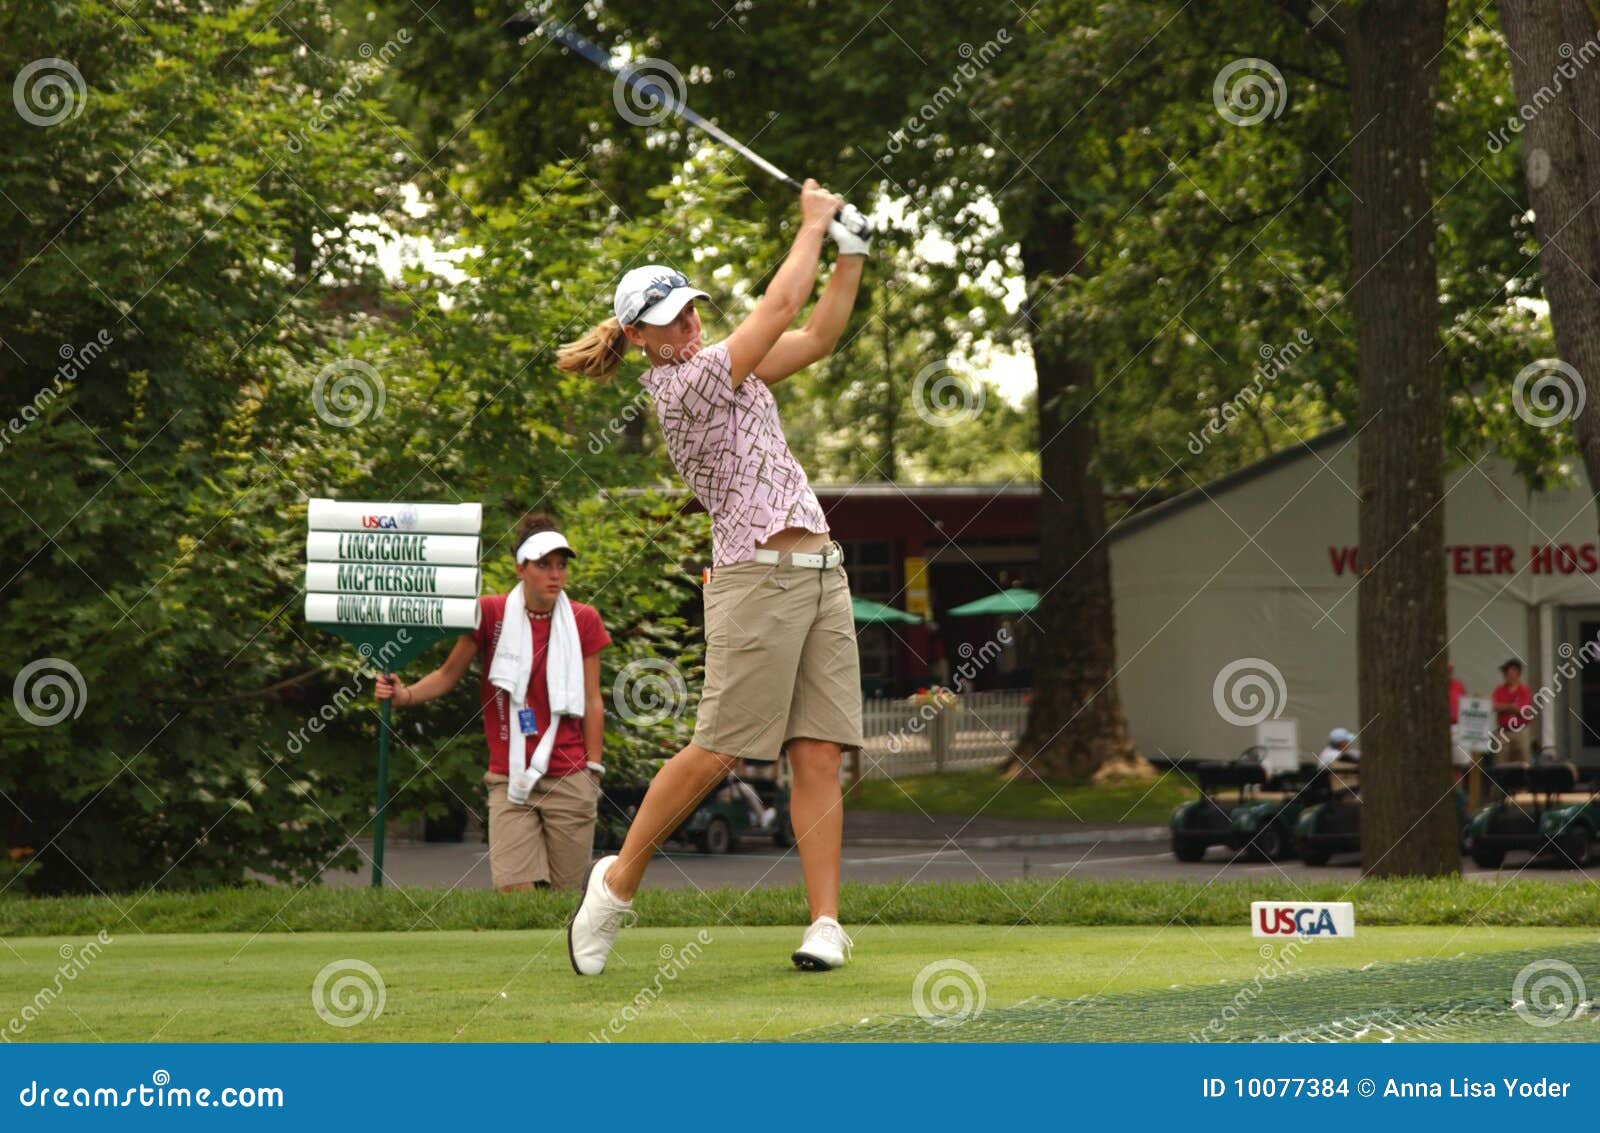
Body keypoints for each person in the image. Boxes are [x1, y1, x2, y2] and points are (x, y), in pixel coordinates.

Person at [554, 178, 869, 974]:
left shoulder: (736, 372)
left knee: (820, 751)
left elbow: (819, 331)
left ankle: (825, 921)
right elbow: (775, 306)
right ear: (638, 337)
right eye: (670, 322)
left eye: (692, 311)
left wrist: (852, 252)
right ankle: (617, 883)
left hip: (821, 570)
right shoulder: (682, 384)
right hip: (754, 578)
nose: (689, 326)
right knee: (720, 749)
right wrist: (811, 225)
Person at [375, 513, 611, 891]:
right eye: (543, 565)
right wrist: (404, 695)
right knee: (514, 892)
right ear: (520, 568)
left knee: (567, 903)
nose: (555, 575)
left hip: (570, 776)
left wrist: (593, 770)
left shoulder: (584, 619)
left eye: (561, 566)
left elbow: (591, 698)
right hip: (508, 776)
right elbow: (447, 674)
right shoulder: (489, 612)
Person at [1491, 657, 1534, 764]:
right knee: (1501, 762)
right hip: (1503, 731)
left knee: (1523, 762)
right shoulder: (1499, 690)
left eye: (1509, 672)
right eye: (1505, 672)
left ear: (1517, 673)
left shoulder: (1524, 691)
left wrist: (1504, 707)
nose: (1506, 675)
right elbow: (1494, 706)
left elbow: (1523, 710)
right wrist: (1510, 707)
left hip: (1520, 731)